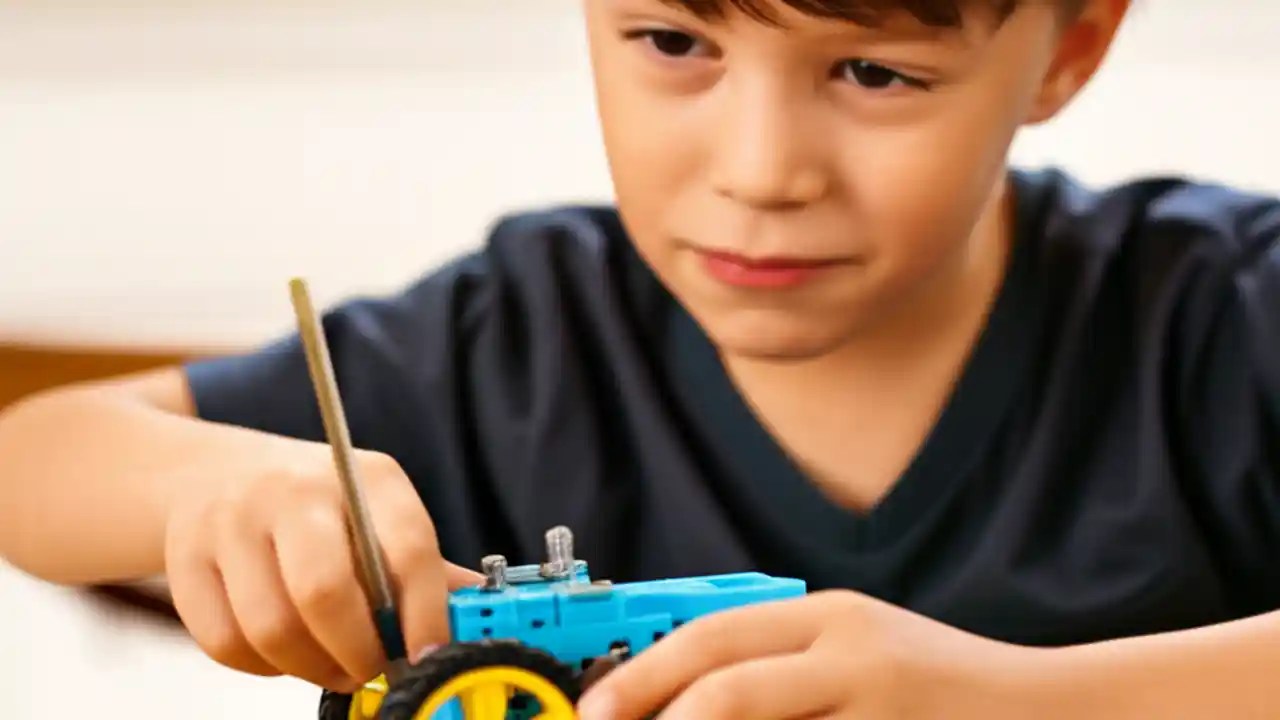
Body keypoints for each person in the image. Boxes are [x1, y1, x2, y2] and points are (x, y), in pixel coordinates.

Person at [2, 0, 1279, 716]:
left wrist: (1024, 707)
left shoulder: (1226, 312)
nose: (759, 171)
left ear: (1066, 47)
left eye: (876, 72)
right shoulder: (518, 337)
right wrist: (196, 486)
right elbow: (31, 462)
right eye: (675, 44)